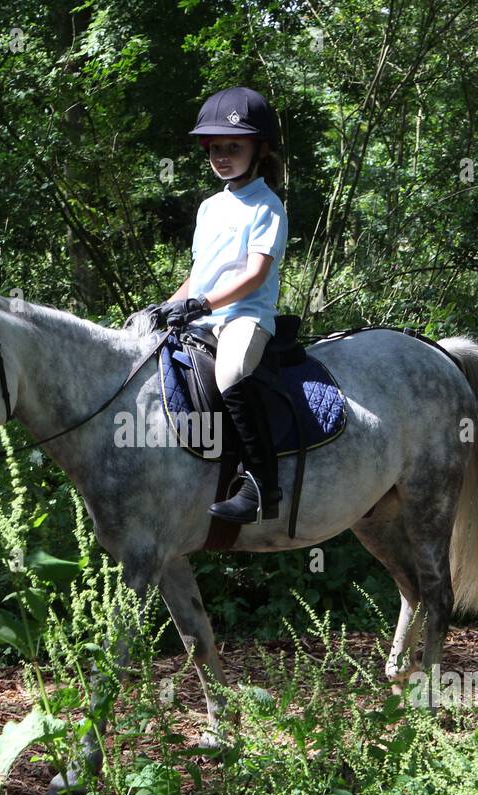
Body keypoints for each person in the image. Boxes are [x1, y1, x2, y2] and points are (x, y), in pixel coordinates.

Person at [150, 86, 289, 525]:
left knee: (230, 373)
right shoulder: (210, 207)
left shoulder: (267, 206)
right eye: (215, 147)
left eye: (234, 146)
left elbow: (254, 274)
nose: (222, 156)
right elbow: (200, 274)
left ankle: (263, 486)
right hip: (202, 315)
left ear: (259, 149)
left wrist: (200, 303)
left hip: (245, 318)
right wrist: (163, 307)